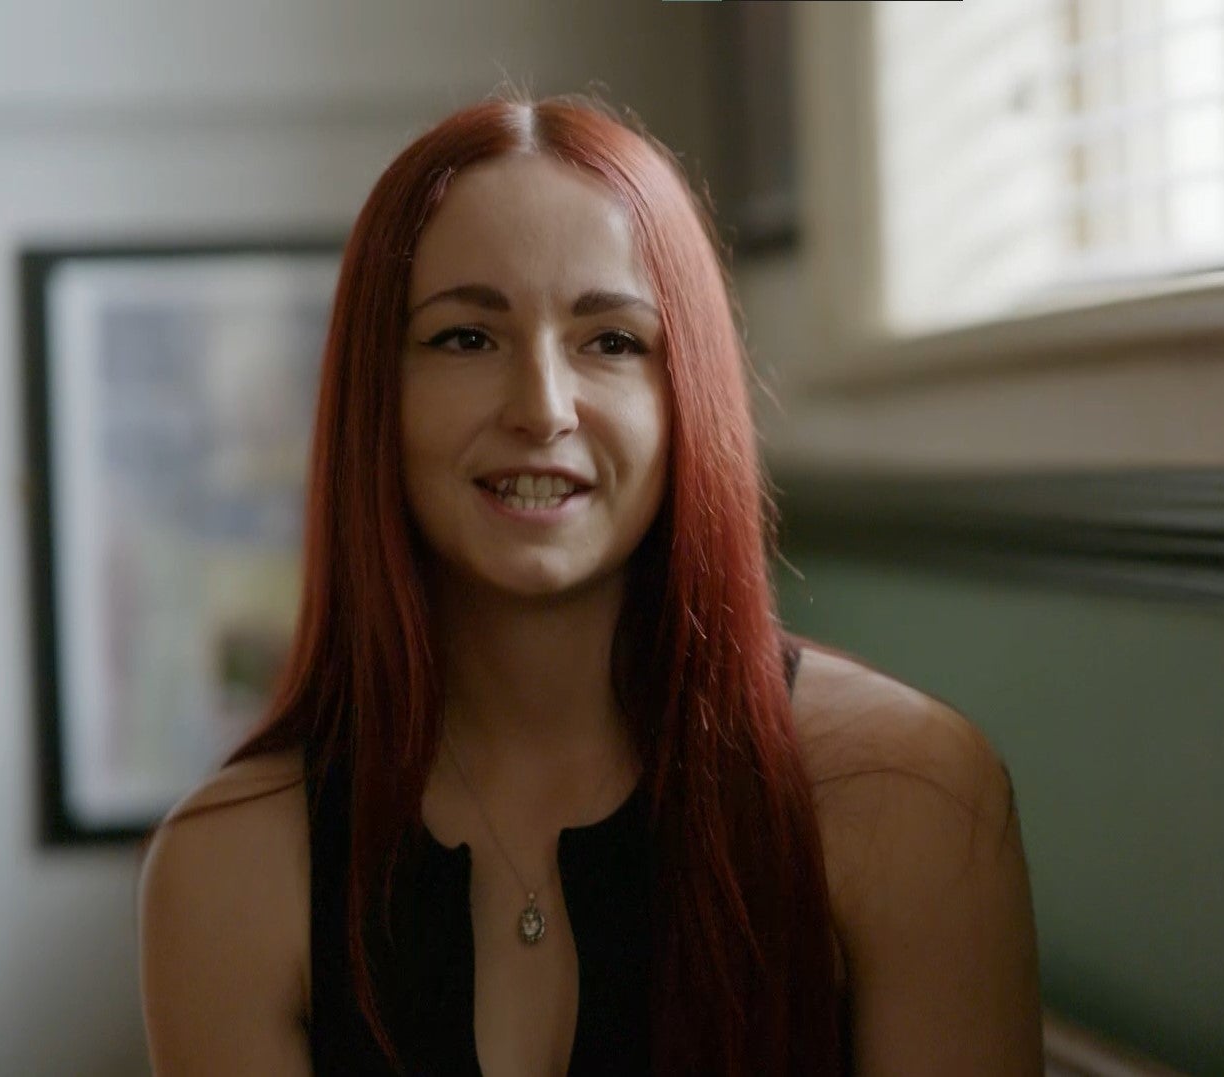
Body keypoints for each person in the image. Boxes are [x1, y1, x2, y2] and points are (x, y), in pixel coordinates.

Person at [137, 93, 1043, 1077]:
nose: (542, 407)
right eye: (465, 338)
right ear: (376, 398)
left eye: (610, 341)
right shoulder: (226, 869)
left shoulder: (909, 798)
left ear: (685, 392)